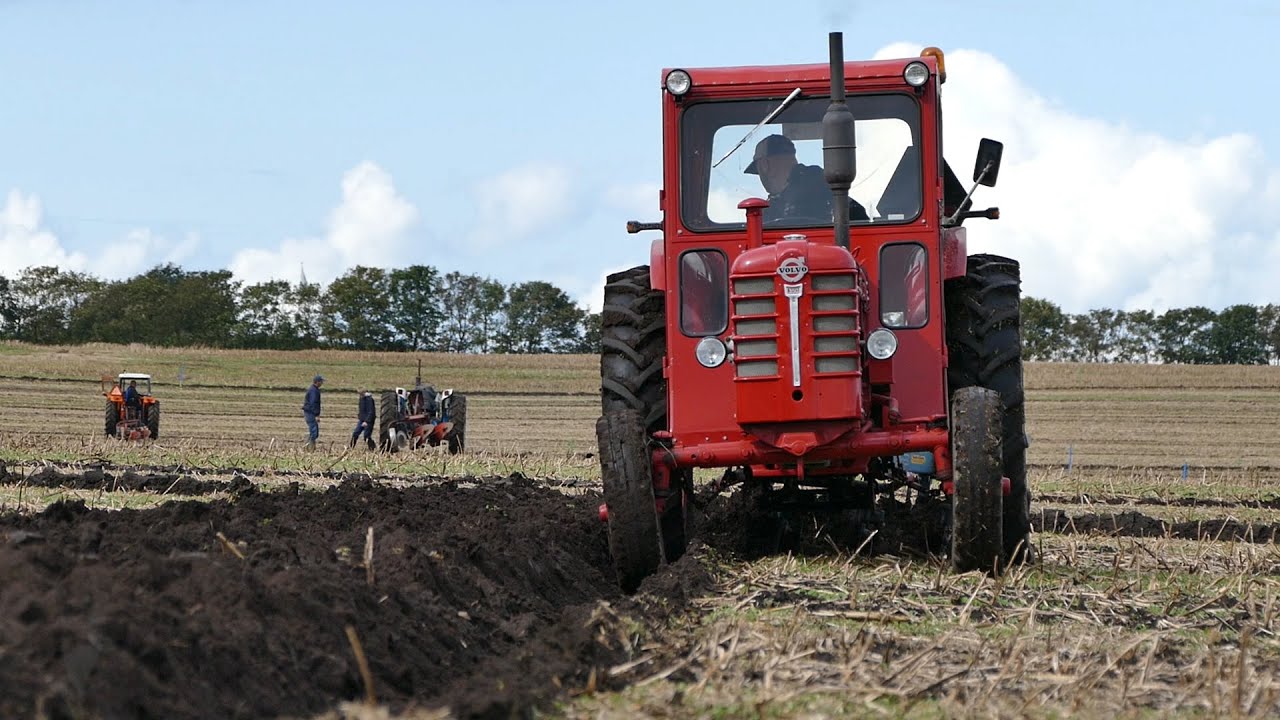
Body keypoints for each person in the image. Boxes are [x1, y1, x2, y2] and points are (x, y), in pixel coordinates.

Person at [744, 134, 868, 224]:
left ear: (764, 165)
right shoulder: (774, 205)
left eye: (758, 171)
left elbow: (855, 214)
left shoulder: (816, 183)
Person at [302, 374, 324, 450]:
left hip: (309, 412)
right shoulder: (314, 391)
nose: (322, 383)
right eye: (321, 381)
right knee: (314, 432)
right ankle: (309, 447)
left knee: (313, 432)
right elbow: (313, 403)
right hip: (310, 413)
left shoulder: (313, 389)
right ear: (317, 382)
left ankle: (310, 447)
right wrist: (316, 415)